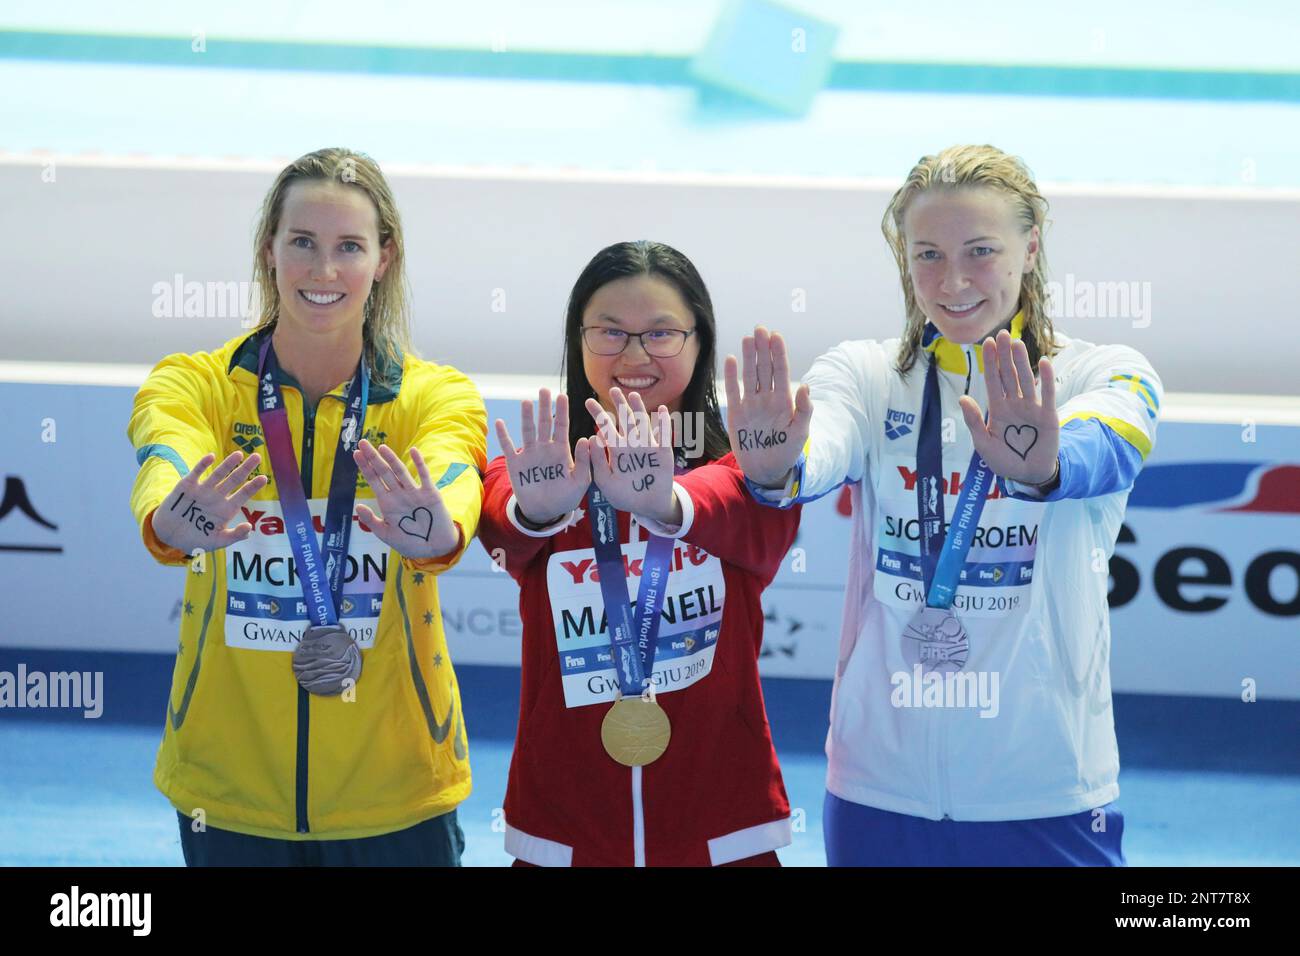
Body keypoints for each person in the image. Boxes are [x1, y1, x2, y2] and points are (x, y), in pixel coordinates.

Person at [725, 144, 1162, 866]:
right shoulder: (866, 374)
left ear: (1032, 246)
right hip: (877, 789)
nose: (952, 280)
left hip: (1045, 787)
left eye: (980, 250)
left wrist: (1045, 467)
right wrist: (777, 467)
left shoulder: (1098, 371)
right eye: (927, 254)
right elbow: (821, 445)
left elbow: (1114, 441)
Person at [126, 147, 487, 865]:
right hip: (227, 789)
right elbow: (163, 446)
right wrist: (168, 514)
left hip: (397, 788)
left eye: (349, 247)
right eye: (303, 244)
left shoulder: (432, 396)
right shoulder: (196, 384)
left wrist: (441, 524)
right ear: (270, 251)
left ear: (384, 259)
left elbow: (454, 466)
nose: (324, 271)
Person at [478, 240, 801, 866]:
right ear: (579, 340)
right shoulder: (545, 473)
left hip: (726, 827)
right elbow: (499, 527)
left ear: (700, 341)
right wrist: (537, 512)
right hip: (561, 832)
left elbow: (760, 526)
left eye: (660, 334)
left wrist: (666, 501)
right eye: (610, 333)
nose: (633, 355)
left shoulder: (742, 472)